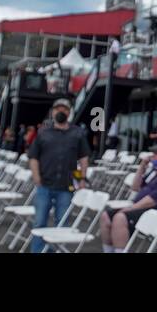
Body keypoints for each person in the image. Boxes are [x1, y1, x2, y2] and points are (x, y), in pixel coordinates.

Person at [27, 99, 91, 253]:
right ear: (53, 112)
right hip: (44, 185)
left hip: (66, 187)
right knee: (39, 223)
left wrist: (82, 178)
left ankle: (55, 251)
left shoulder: (78, 133)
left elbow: (83, 158)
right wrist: (36, 176)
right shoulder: (43, 133)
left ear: (69, 112)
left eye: (64, 109)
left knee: (62, 224)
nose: (61, 112)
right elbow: (33, 157)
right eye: (57, 109)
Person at [99, 142, 157, 252]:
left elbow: (153, 200)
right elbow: (135, 187)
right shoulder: (156, 171)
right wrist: (142, 166)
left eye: (155, 154)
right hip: (142, 208)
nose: (152, 156)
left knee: (120, 218)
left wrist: (130, 208)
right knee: (106, 216)